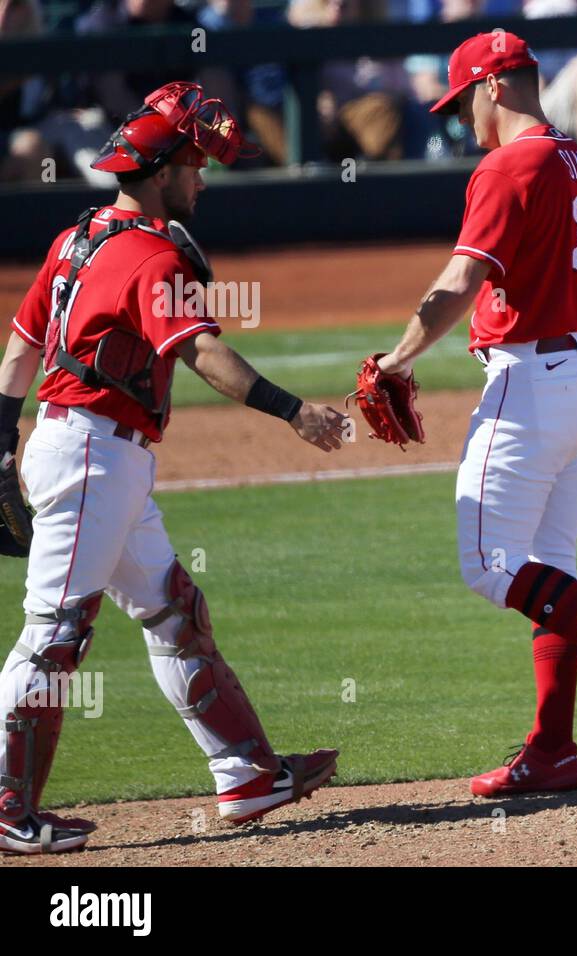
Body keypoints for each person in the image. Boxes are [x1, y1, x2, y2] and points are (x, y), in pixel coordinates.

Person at [0, 82, 346, 854]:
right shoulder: (152, 257)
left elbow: (22, 346)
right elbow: (201, 353)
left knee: (174, 610)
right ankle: (8, 808)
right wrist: (297, 411)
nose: (202, 179)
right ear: (161, 171)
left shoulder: (75, 238)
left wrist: (0, 443)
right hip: (93, 460)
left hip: (93, 457)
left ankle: (246, 774)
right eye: (195, 165)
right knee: (54, 637)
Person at [362, 32, 577, 796]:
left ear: (493, 88)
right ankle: (551, 751)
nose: (464, 119)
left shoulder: (511, 163)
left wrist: (397, 357)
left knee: (489, 565)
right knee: (551, 567)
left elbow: (459, 281)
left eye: (464, 101)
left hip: (533, 381)